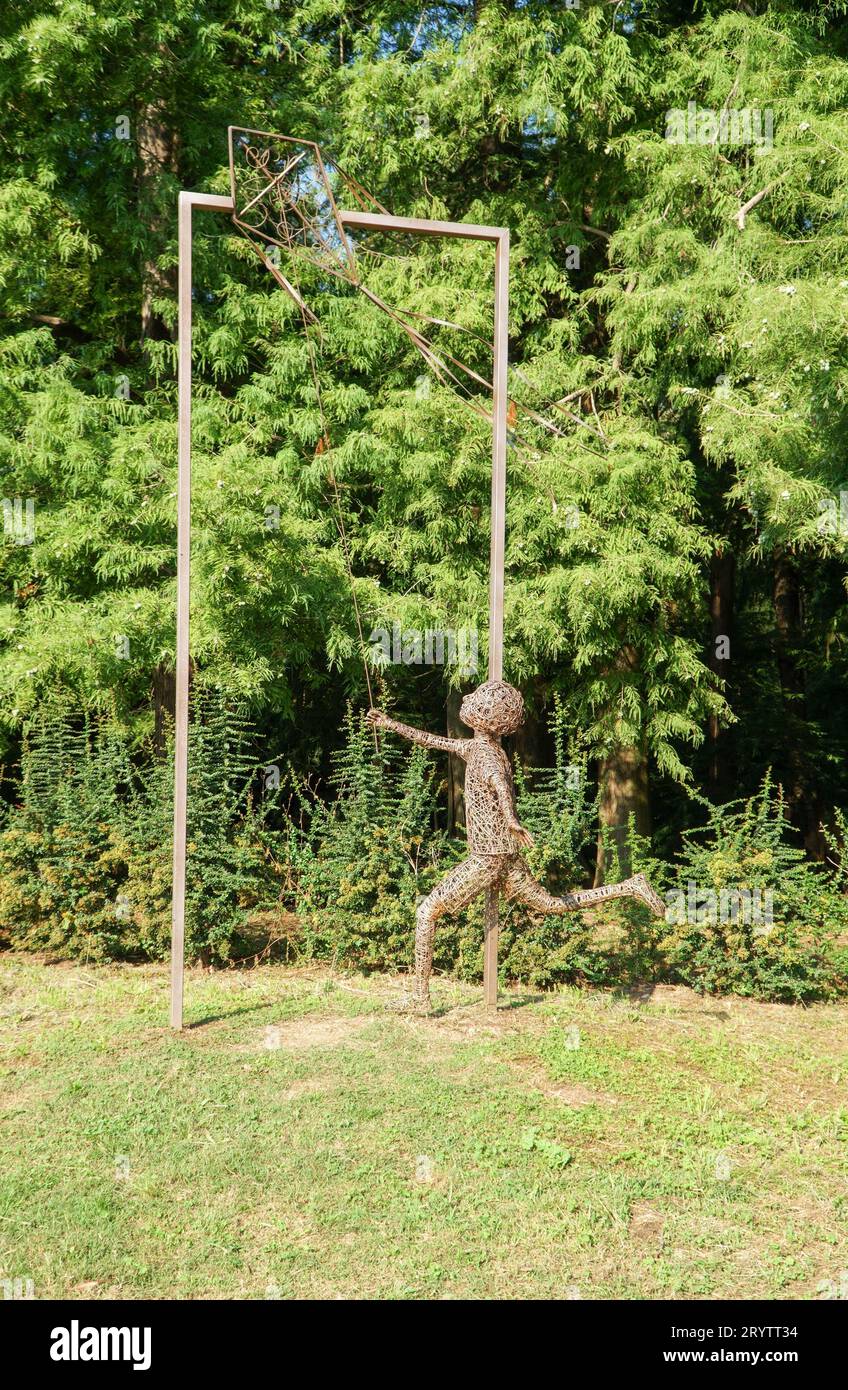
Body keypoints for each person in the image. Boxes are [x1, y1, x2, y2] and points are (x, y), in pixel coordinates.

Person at [367, 680, 666, 1012]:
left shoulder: (487, 756)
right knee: (551, 904)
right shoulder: (480, 748)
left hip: (488, 858)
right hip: (504, 856)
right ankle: (630, 886)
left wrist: (511, 819)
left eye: (481, 701)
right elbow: (431, 740)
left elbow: (500, 787)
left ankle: (420, 999)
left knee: (427, 911)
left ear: (490, 717)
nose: (470, 701)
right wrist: (389, 723)